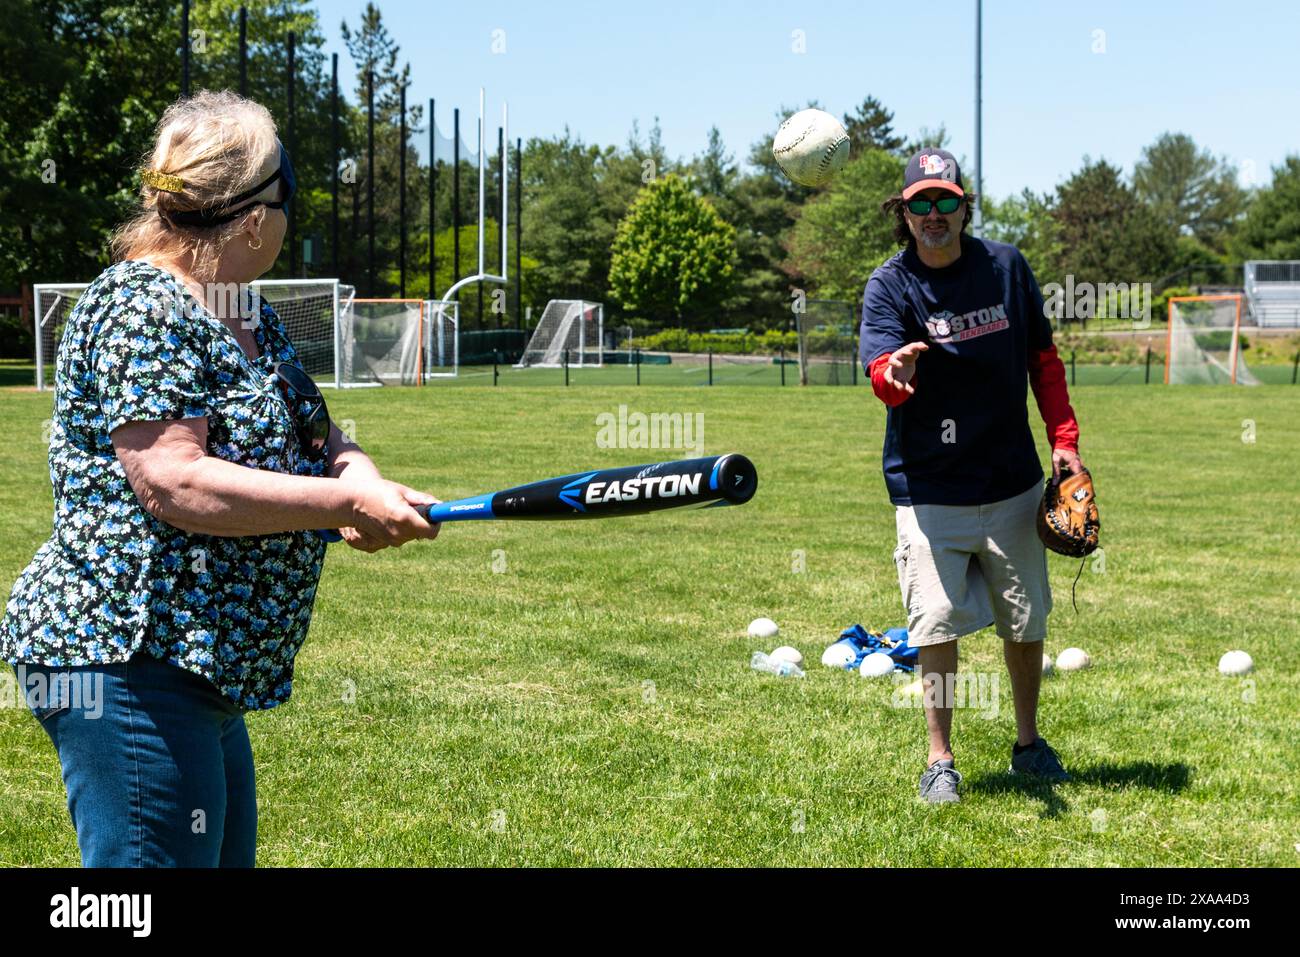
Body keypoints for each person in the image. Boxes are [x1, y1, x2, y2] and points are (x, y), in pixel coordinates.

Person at [1, 91, 440, 866]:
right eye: (288, 188)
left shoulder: (247, 311)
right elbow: (176, 483)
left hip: (200, 661)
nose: (292, 209)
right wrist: (339, 501)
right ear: (249, 218)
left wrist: (363, 477)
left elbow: (321, 433)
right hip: (128, 655)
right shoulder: (143, 308)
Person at [859, 148, 1084, 804]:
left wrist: (1064, 443)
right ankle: (939, 759)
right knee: (934, 622)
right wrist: (894, 375)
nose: (934, 214)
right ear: (904, 212)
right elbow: (880, 370)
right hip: (929, 487)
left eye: (945, 200)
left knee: (1025, 619)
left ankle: (1028, 743)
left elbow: (1044, 360)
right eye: (920, 203)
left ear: (965, 205)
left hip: (1011, 477)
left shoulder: (1006, 268)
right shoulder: (890, 284)